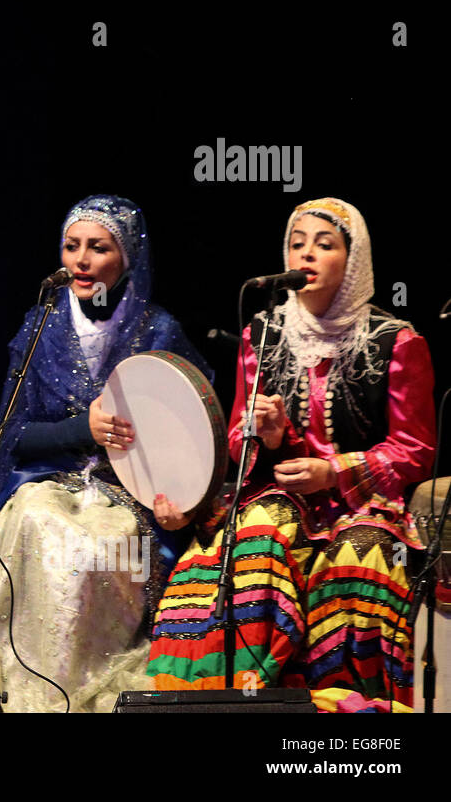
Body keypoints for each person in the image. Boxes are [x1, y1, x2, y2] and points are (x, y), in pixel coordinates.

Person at [0, 194, 210, 712]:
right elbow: (12, 436)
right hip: (47, 481)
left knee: (102, 542)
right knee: (39, 523)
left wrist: (176, 494)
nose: (82, 261)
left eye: (98, 248)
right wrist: (80, 429)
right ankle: (29, 686)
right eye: (72, 247)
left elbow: (191, 435)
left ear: (127, 256)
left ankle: (83, 677)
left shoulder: (157, 330)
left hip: (125, 490)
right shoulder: (41, 324)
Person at [148, 198, 435, 712]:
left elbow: (415, 449)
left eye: (325, 245)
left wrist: (333, 470)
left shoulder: (396, 341)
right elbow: (236, 439)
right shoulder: (263, 335)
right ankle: (236, 701)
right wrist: (271, 436)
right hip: (279, 495)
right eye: (297, 244)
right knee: (250, 544)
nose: (307, 255)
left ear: (354, 261)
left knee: (359, 560)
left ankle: (350, 722)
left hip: (360, 504)